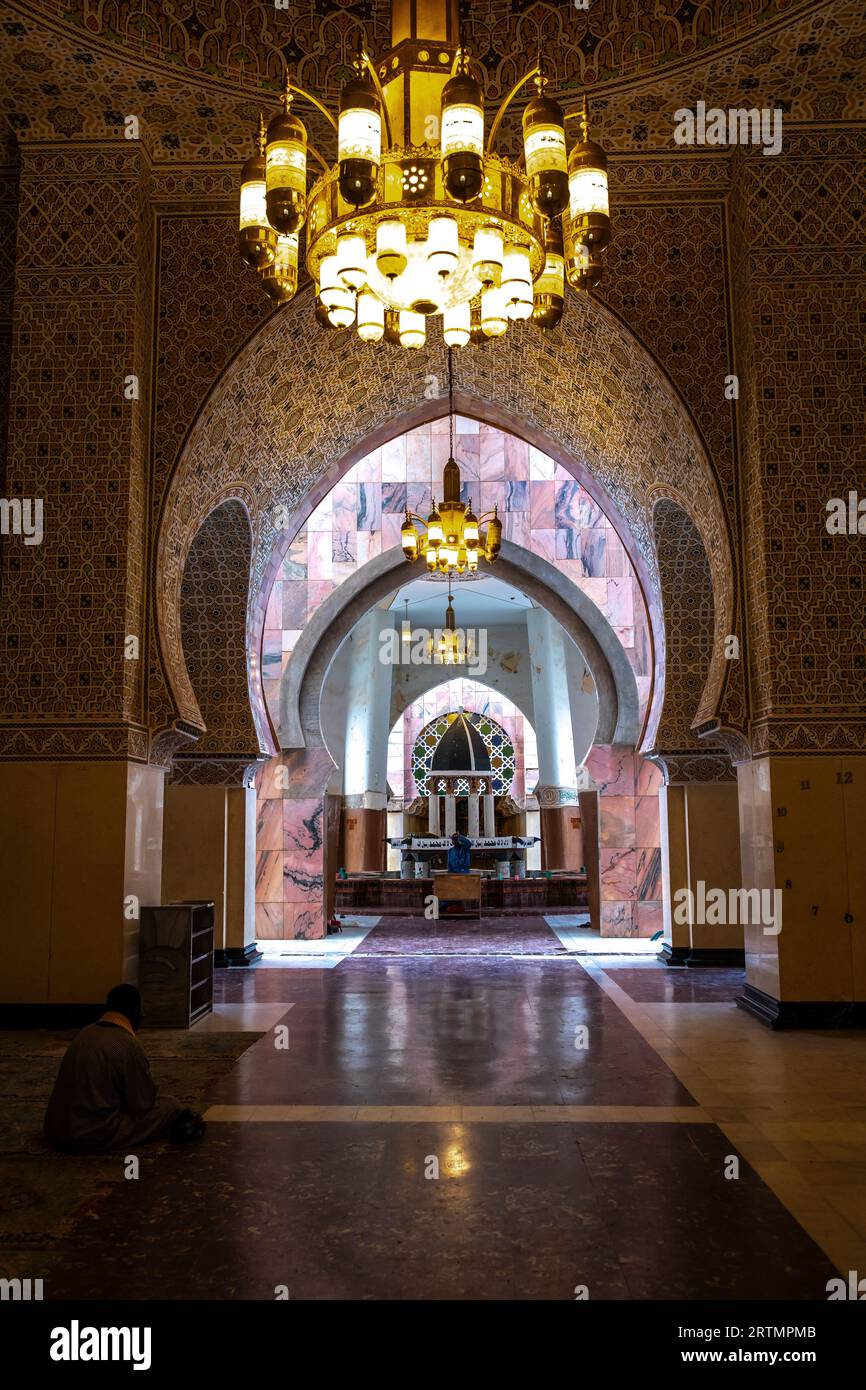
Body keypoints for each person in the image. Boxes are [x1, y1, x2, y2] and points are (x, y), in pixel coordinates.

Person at [44, 984, 202, 1153]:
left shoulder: (85, 1033)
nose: (143, 1014)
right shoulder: (127, 1045)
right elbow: (142, 1104)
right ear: (135, 1012)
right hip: (91, 1134)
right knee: (170, 1106)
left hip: (56, 1130)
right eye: (140, 1009)